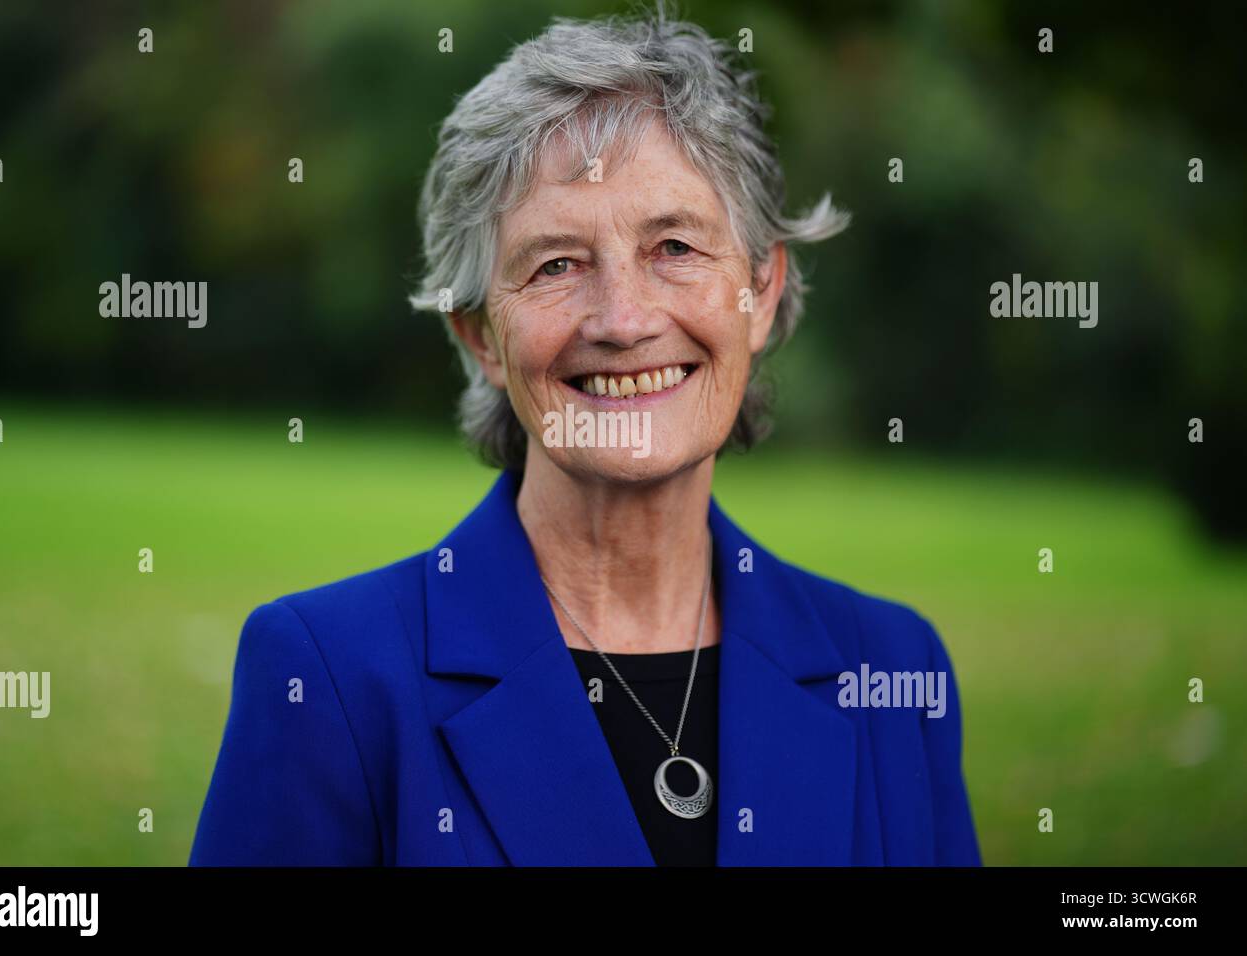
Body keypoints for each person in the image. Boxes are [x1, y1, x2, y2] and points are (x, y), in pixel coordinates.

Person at [189, 9, 981, 867]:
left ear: (759, 290)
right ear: (481, 337)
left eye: (674, 246)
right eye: (556, 264)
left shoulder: (896, 673)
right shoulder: (330, 679)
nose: (624, 320)